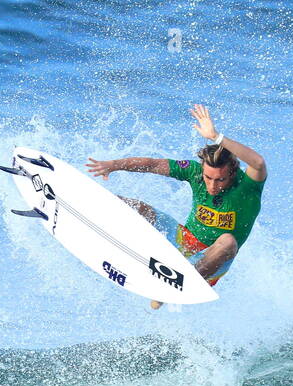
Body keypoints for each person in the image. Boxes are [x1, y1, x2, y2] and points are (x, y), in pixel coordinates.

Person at [85, 104, 266, 308]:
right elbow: (152, 165)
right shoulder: (194, 171)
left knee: (228, 241)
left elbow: (258, 162)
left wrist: (215, 136)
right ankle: (84, 210)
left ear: (232, 173)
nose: (212, 185)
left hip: (209, 262)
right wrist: (113, 165)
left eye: (220, 180)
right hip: (183, 240)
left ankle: (177, 284)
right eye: (208, 178)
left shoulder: (248, 187)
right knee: (134, 206)